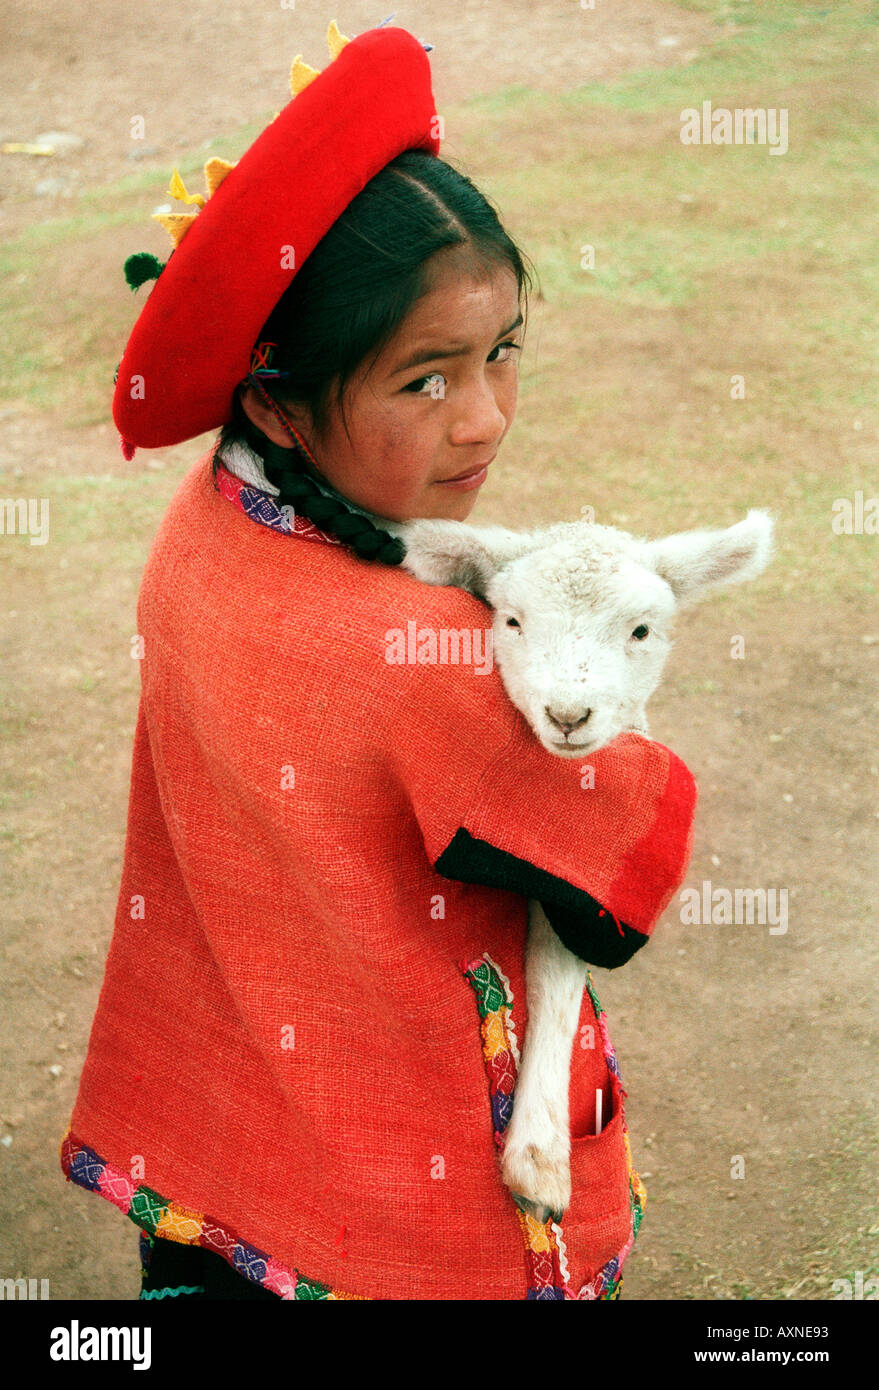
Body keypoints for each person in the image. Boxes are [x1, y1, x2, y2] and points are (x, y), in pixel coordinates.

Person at [61, 19, 697, 1301]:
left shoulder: (204, 532)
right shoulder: (426, 663)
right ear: (278, 400)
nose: (485, 417)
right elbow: (628, 853)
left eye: (502, 350)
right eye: (423, 381)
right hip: (404, 1227)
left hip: (226, 1155)